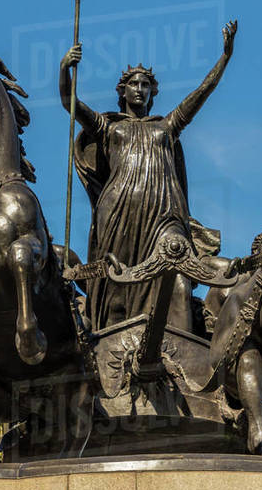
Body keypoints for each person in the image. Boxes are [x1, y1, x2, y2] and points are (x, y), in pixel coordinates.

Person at [59, 20, 237, 332]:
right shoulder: (109, 127)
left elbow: (203, 92)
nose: (140, 90)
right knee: (117, 285)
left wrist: (225, 57)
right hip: (118, 215)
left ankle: (180, 345)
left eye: (145, 85)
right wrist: (64, 69)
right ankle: (114, 341)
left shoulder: (166, 126)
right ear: (122, 90)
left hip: (164, 215)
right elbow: (69, 103)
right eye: (134, 84)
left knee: (178, 274)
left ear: (152, 92)